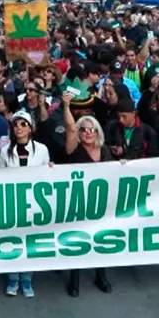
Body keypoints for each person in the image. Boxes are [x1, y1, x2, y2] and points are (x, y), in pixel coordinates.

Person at [60, 90, 114, 297]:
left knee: (101, 239)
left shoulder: (105, 151)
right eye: (84, 130)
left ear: (98, 132)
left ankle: (101, 274)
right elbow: (70, 128)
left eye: (92, 130)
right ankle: (75, 277)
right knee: (79, 240)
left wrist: (124, 166)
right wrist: (66, 106)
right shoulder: (74, 148)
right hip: (79, 204)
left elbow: (114, 174)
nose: (88, 133)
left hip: (101, 204)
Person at [0, 110, 48, 297]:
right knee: (12, 240)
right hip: (12, 203)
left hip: (34, 203)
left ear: (31, 128)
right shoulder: (4, 151)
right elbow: (1, 178)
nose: (19, 128)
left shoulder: (41, 150)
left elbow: (47, 177)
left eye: (23, 124)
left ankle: (27, 278)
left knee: (30, 241)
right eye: (16, 124)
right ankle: (13, 277)